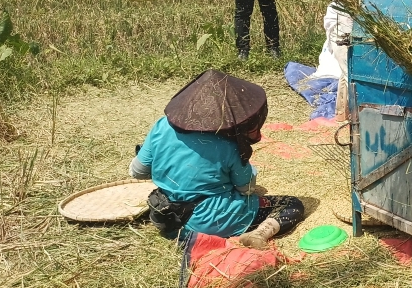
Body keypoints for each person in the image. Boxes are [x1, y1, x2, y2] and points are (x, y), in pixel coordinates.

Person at [129, 69, 305, 249]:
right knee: (291, 205)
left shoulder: (162, 126)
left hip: (166, 216)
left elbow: (137, 171)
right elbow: (247, 188)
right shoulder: (230, 144)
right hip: (212, 221)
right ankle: (259, 234)